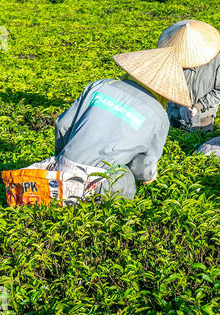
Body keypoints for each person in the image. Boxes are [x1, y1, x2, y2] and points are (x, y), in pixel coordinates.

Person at [49, 46, 193, 200]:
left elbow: (62, 125)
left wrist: (63, 159)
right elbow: (145, 167)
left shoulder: (99, 86)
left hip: (63, 167)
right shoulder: (159, 116)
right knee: (125, 180)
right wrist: (149, 177)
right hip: (100, 183)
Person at [158, 19, 220, 134]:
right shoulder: (171, 59)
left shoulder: (216, 60)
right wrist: (181, 104)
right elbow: (165, 87)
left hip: (203, 119)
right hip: (176, 116)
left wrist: (199, 106)